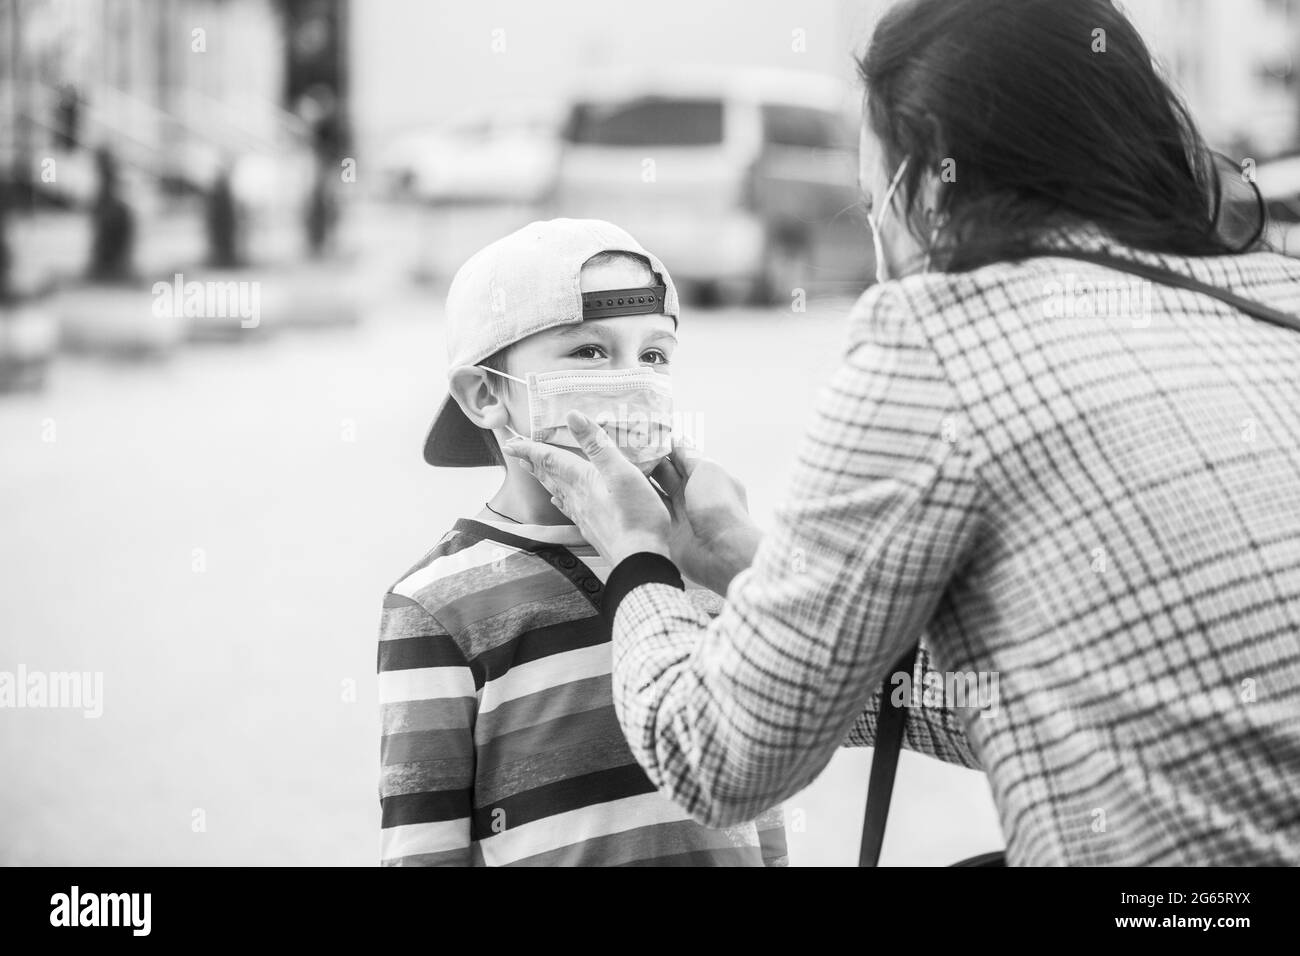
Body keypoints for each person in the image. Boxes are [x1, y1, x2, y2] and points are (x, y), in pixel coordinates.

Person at [502, 0, 1300, 866]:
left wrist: (637, 557)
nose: (875, 228)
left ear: (922, 183)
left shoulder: (939, 334)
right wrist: (747, 569)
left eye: (870, 193)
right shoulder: (1277, 299)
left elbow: (712, 763)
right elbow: (1070, 705)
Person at [376, 218, 787, 866]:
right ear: (486, 393)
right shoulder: (437, 604)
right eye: (590, 353)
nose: (633, 380)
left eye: (653, 355)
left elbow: (759, 794)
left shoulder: (698, 561)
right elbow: (424, 847)